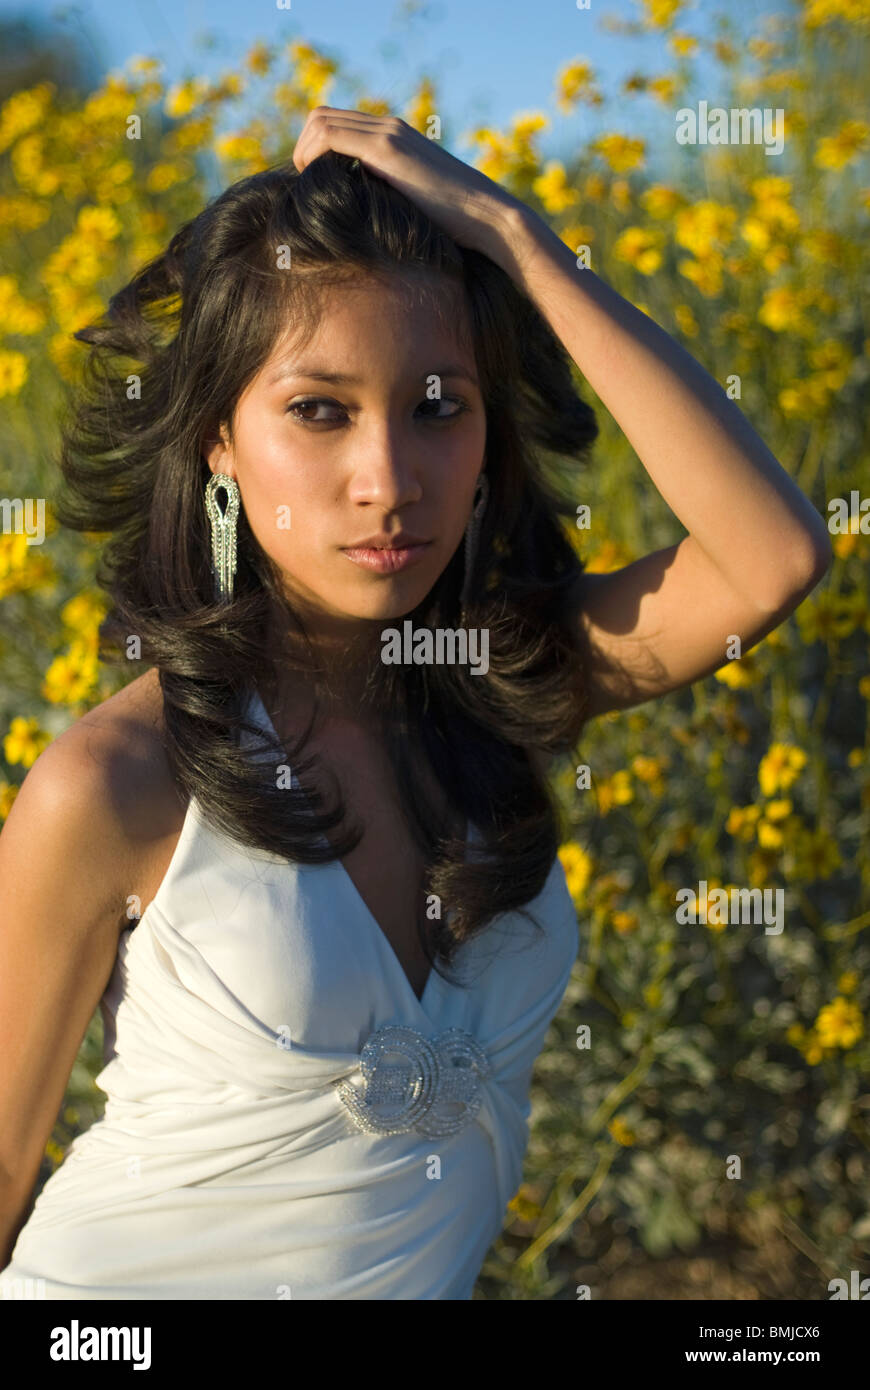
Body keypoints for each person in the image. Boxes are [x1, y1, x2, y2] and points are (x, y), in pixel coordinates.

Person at [0, 107, 831, 1300]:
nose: (389, 480)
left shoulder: (506, 685)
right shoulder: (117, 784)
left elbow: (773, 559)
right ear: (219, 441)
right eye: (318, 409)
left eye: (439, 406)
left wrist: (518, 239)